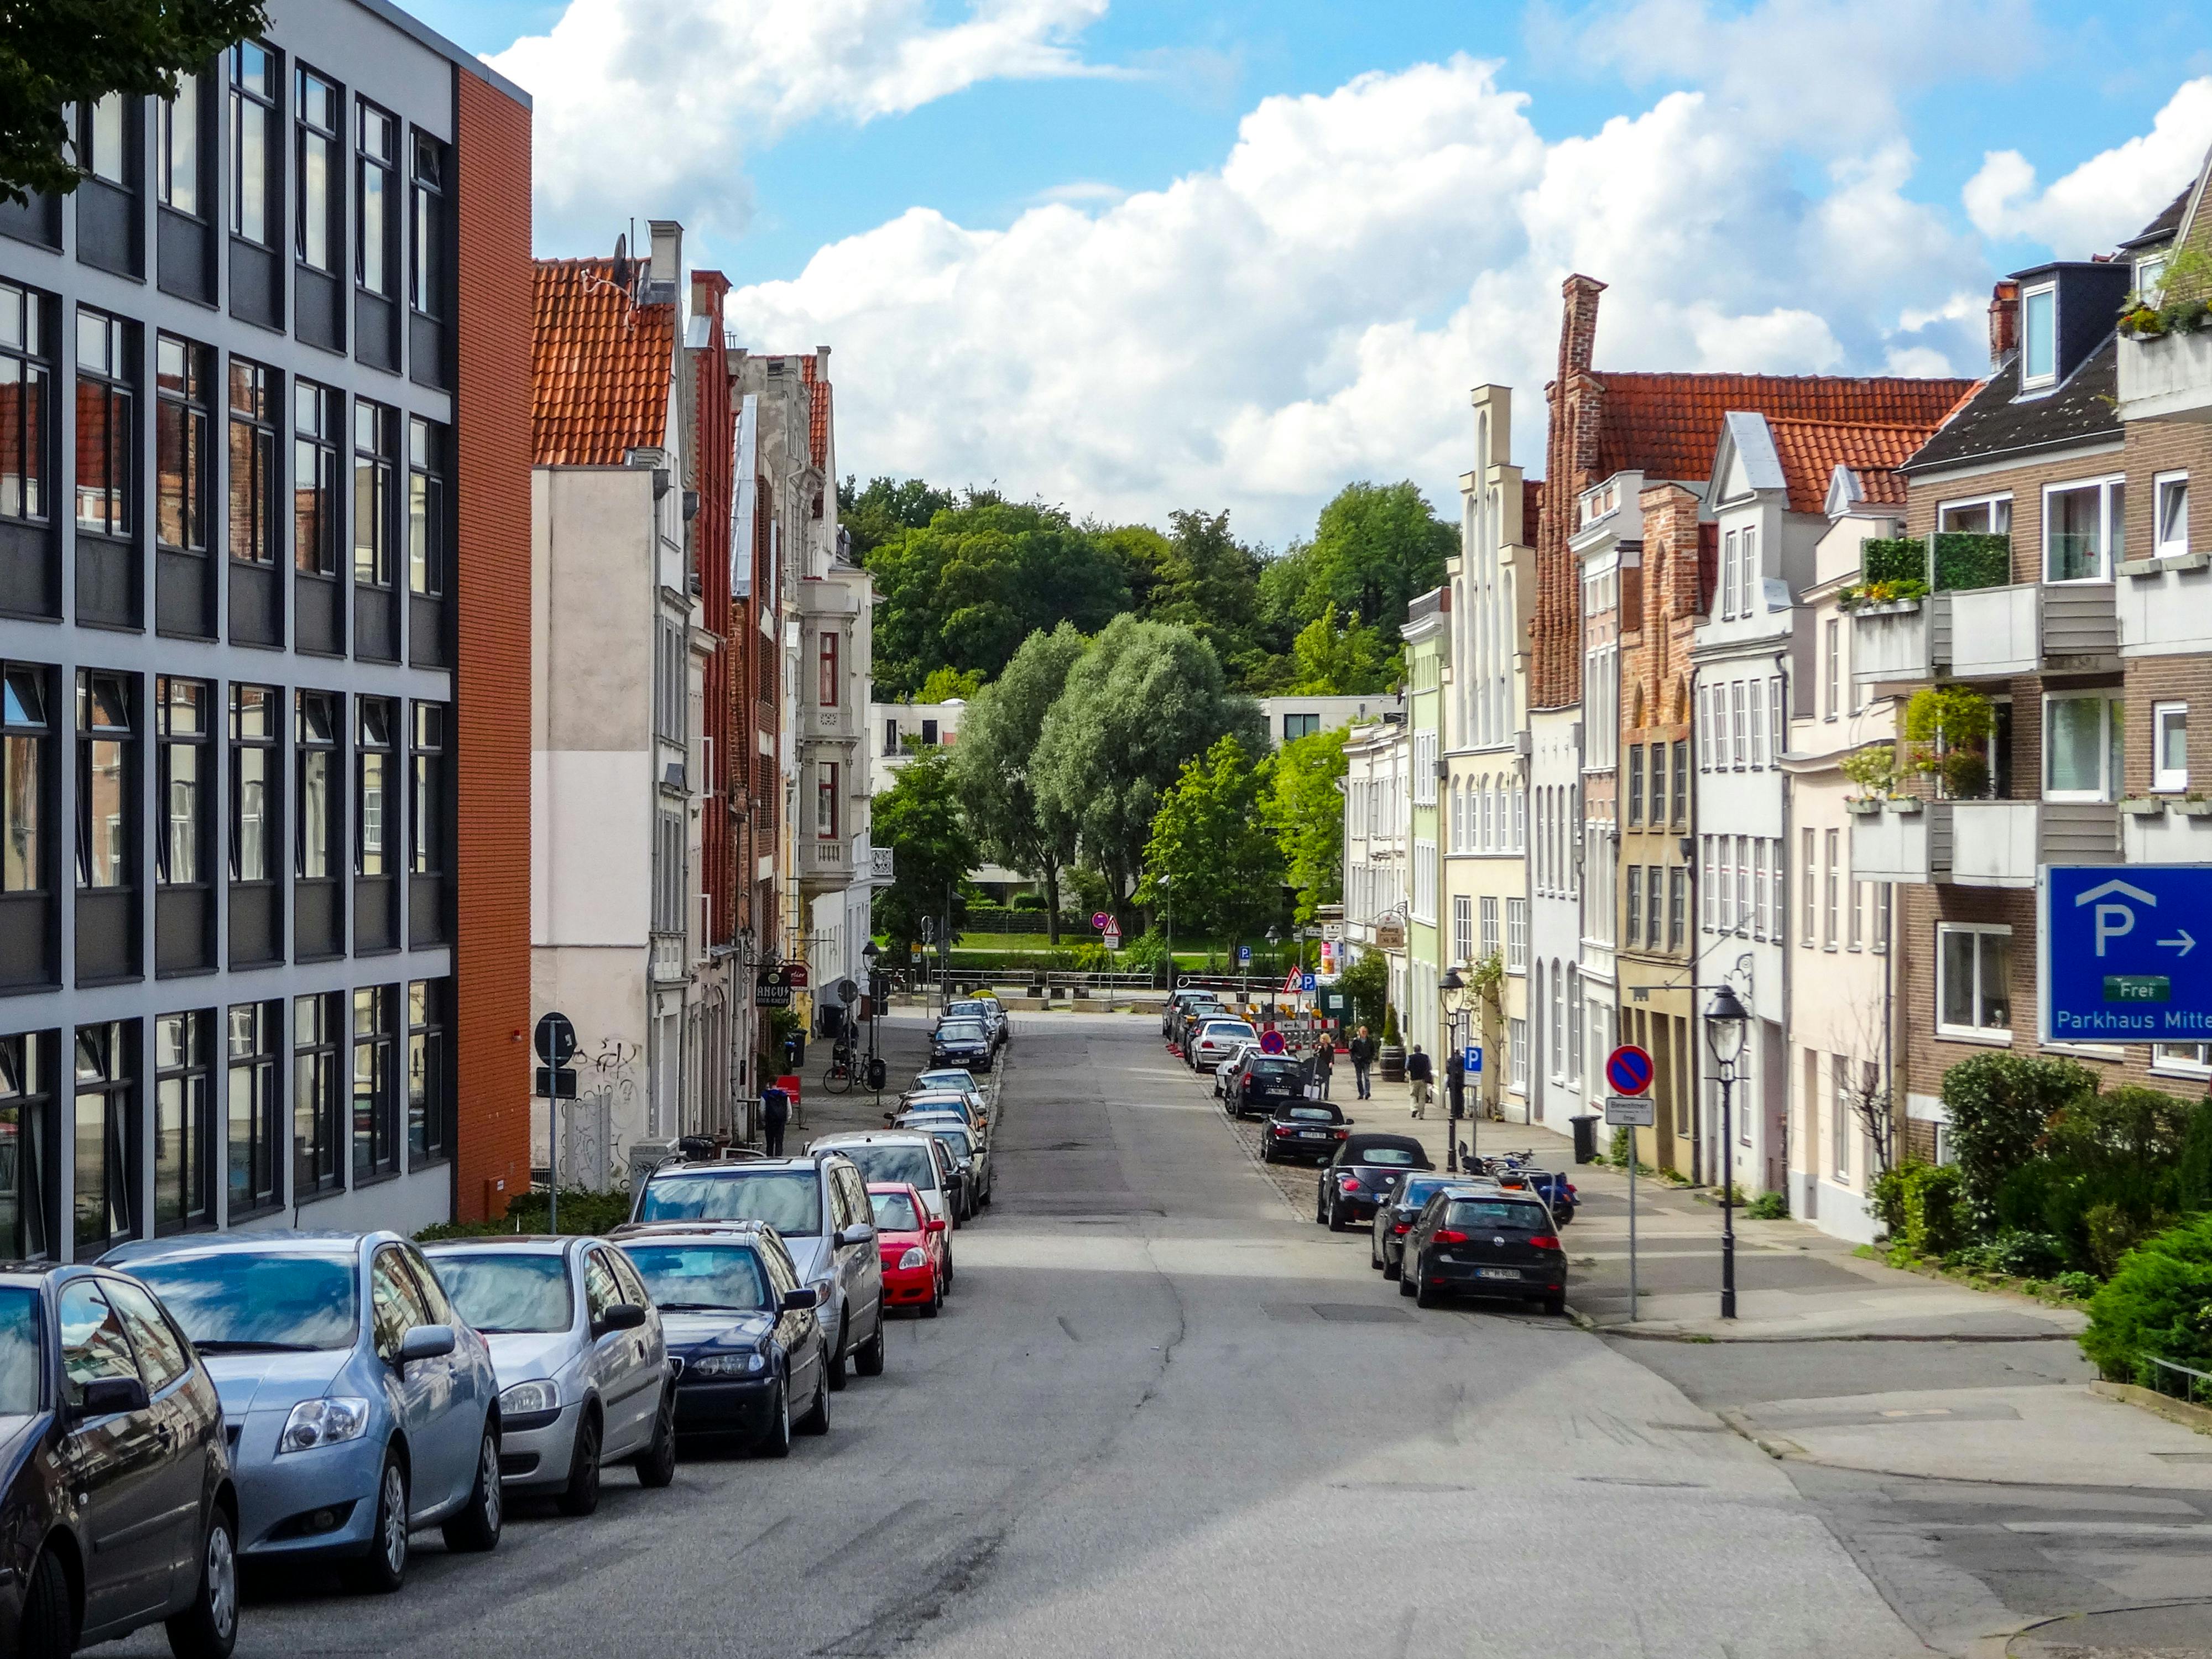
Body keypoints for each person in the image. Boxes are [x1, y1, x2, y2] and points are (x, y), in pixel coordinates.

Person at [761, 1084, 790, 1157]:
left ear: (769, 1084)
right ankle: (779, 1158)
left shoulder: (765, 1095)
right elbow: (789, 1110)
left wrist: (764, 1120)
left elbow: (762, 1110)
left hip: (769, 1122)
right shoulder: (784, 1095)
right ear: (776, 1083)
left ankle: (769, 1159)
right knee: (779, 1142)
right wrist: (787, 1120)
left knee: (770, 1143)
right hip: (780, 1122)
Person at [1348, 1025, 1376, 1100]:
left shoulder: (1370, 1041)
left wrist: (1371, 1058)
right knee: (1359, 1079)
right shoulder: (1356, 1041)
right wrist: (1354, 1059)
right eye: (1363, 1031)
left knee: (1367, 1078)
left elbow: (1373, 1050)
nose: (1364, 1033)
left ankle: (1367, 1093)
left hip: (1366, 1061)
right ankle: (1361, 1093)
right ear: (1360, 1032)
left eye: (1365, 1032)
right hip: (1358, 1062)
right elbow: (1351, 1051)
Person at [1406, 1044, 1433, 1119]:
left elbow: (1407, 1067)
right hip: (1423, 1079)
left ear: (1414, 1050)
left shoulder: (1410, 1057)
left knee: (1413, 1095)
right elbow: (1430, 1067)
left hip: (1414, 1079)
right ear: (1421, 1050)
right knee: (1422, 1097)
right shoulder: (1426, 1057)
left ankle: (1414, 1108)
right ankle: (1421, 1114)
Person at [1312, 1033, 1335, 1100]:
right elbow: (1315, 1055)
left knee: (1327, 1082)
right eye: (1322, 1039)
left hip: (1327, 1066)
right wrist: (1318, 1050)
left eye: (1324, 1039)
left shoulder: (1330, 1047)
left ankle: (1326, 1096)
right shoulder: (1319, 1047)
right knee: (1319, 1082)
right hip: (1321, 1066)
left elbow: (1332, 1056)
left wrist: (1331, 1062)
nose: (1323, 1040)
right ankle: (1319, 1096)